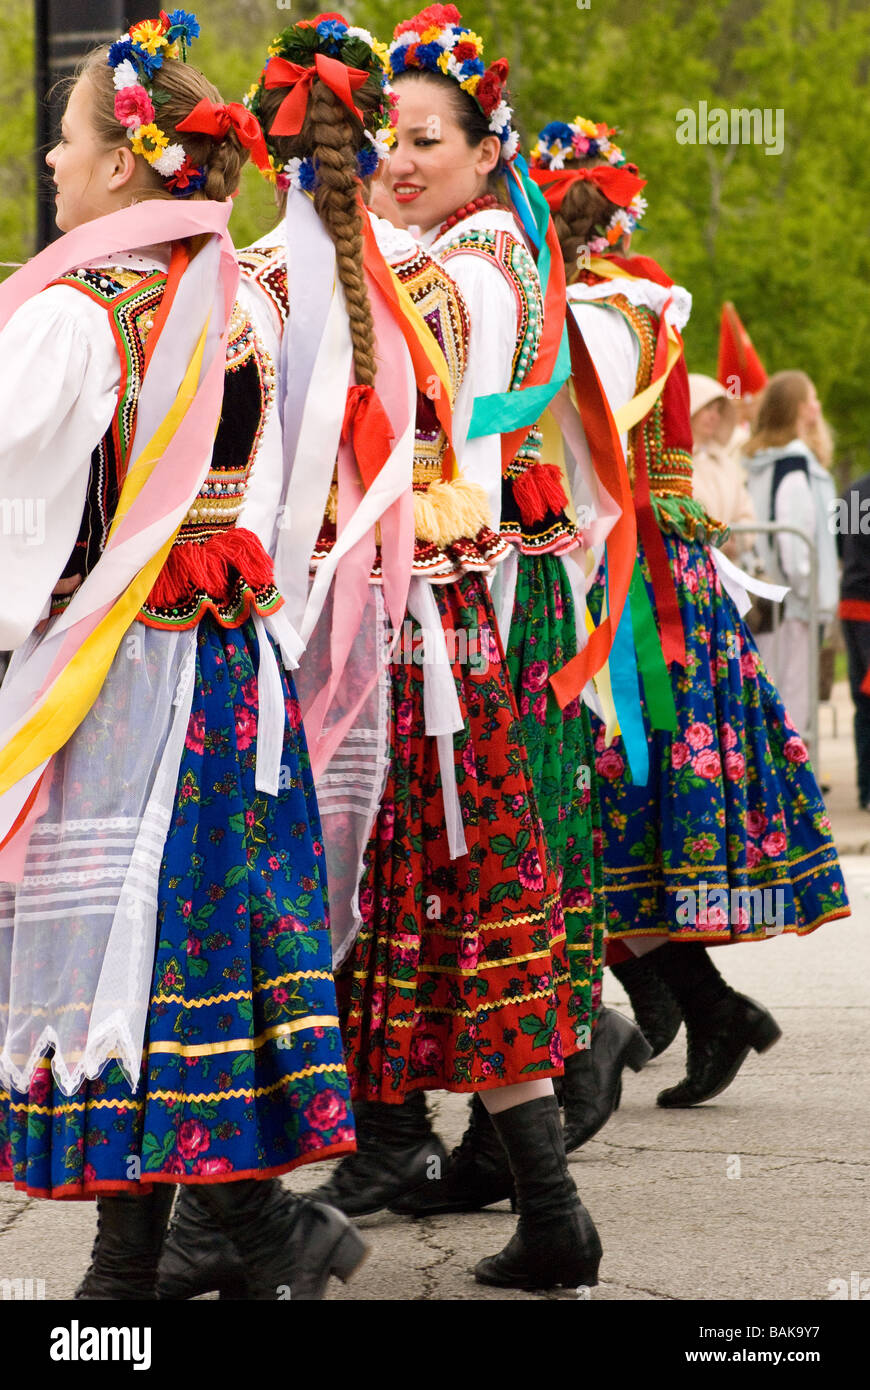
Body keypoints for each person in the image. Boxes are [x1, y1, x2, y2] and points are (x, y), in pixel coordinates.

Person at [160, 12, 602, 1295]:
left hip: (377, 625)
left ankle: (227, 1215)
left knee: (293, 900)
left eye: (430, 139)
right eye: (386, 139)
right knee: (462, 904)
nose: (402, 162)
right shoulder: (475, 263)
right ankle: (543, 1209)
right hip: (448, 622)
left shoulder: (377, 276)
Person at [0, 11, 366, 1301]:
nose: (51, 162)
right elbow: (267, 497)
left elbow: (18, 519)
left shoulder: (81, 316)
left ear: (122, 165)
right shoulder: (242, 300)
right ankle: (173, 1248)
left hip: (122, 676)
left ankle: (207, 1241)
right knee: (188, 946)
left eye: (65, 142)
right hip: (227, 668)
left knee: (129, 943)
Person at [530, 116, 849, 1106]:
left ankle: (655, 1015)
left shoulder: (586, 309)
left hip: (620, 577)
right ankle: (681, 1006)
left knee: (590, 809)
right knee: (613, 814)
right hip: (666, 572)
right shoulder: (646, 303)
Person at [744, 371, 839, 739]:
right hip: (794, 605)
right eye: (812, 398)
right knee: (794, 702)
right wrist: (807, 592)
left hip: (769, 602)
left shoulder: (761, 462)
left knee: (776, 695)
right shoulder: (794, 467)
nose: (818, 406)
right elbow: (795, 545)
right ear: (802, 409)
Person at [689, 373, 755, 563]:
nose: (714, 416)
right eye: (707, 408)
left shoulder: (726, 465)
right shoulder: (675, 462)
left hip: (726, 567)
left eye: (718, 410)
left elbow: (746, 512)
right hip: (692, 564)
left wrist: (735, 541)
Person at [837, 472, 870, 810]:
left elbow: (840, 546)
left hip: (853, 603)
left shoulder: (852, 493)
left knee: (863, 701)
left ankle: (866, 788)